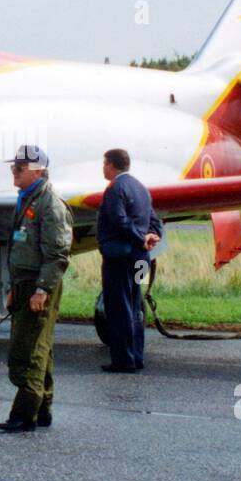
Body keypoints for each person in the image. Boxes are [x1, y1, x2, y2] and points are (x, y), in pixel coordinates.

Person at [0, 145, 73, 433]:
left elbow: (57, 254)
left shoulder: (50, 204)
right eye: (13, 167)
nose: (14, 172)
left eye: (20, 168)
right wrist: (14, 287)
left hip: (40, 282)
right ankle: (42, 409)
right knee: (40, 347)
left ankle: (23, 414)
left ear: (38, 171)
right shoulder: (27, 200)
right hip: (25, 282)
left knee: (29, 351)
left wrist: (42, 290)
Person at [95, 149, 163, 373]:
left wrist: (139, 238)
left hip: (120, 258)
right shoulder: (141, 188)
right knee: (135, 306)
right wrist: (152, 237)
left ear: (112, 165)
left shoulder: (115, 188)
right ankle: (137, 356)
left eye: (105, 164)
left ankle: (123, 360)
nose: (103, 168)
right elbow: (154, 220)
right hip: (142, 258)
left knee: (119, 308)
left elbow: (119, 221)